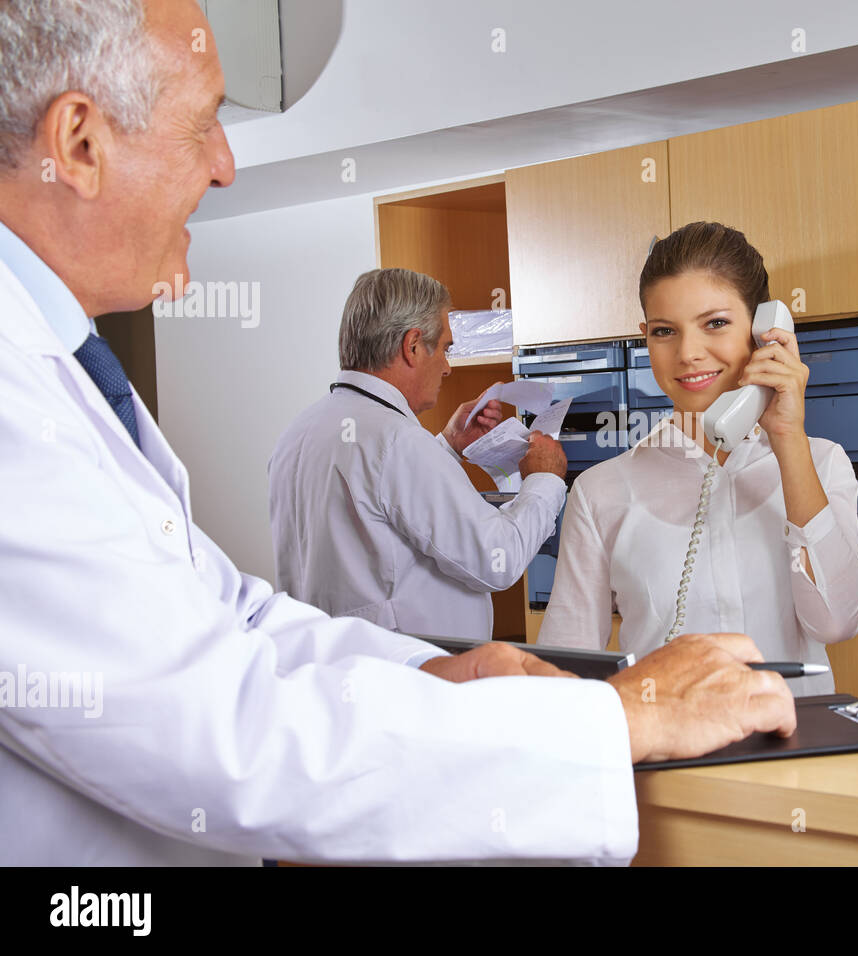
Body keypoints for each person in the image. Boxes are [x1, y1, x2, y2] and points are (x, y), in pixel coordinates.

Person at [0, 0, 796, 865]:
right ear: (79, 143)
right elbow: (221, 730)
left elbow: (236, 614)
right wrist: (615, 705)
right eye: (204, 126)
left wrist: (423, 670)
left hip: (367, 727)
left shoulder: (294, 425)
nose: (229, 166)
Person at [538, 221, 858, 695]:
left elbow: (837, 622)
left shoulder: (823, 463)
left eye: (715, 323)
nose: (688, 353)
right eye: (664, 331)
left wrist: (787, 440)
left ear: (764, 331)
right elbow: (565, 674)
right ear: (645, 336)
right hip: (667, 758)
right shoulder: (601, 491)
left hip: (797, 756)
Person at [268, 267, 566, 639]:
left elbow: (381, 507)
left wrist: (445, 446)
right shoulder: (397, 442)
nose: (446, 366)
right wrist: (545, 480)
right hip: (403, 677)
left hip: (330, 666)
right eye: (444, 348)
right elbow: (496, 559)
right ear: (411, 346)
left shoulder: (297, 433)